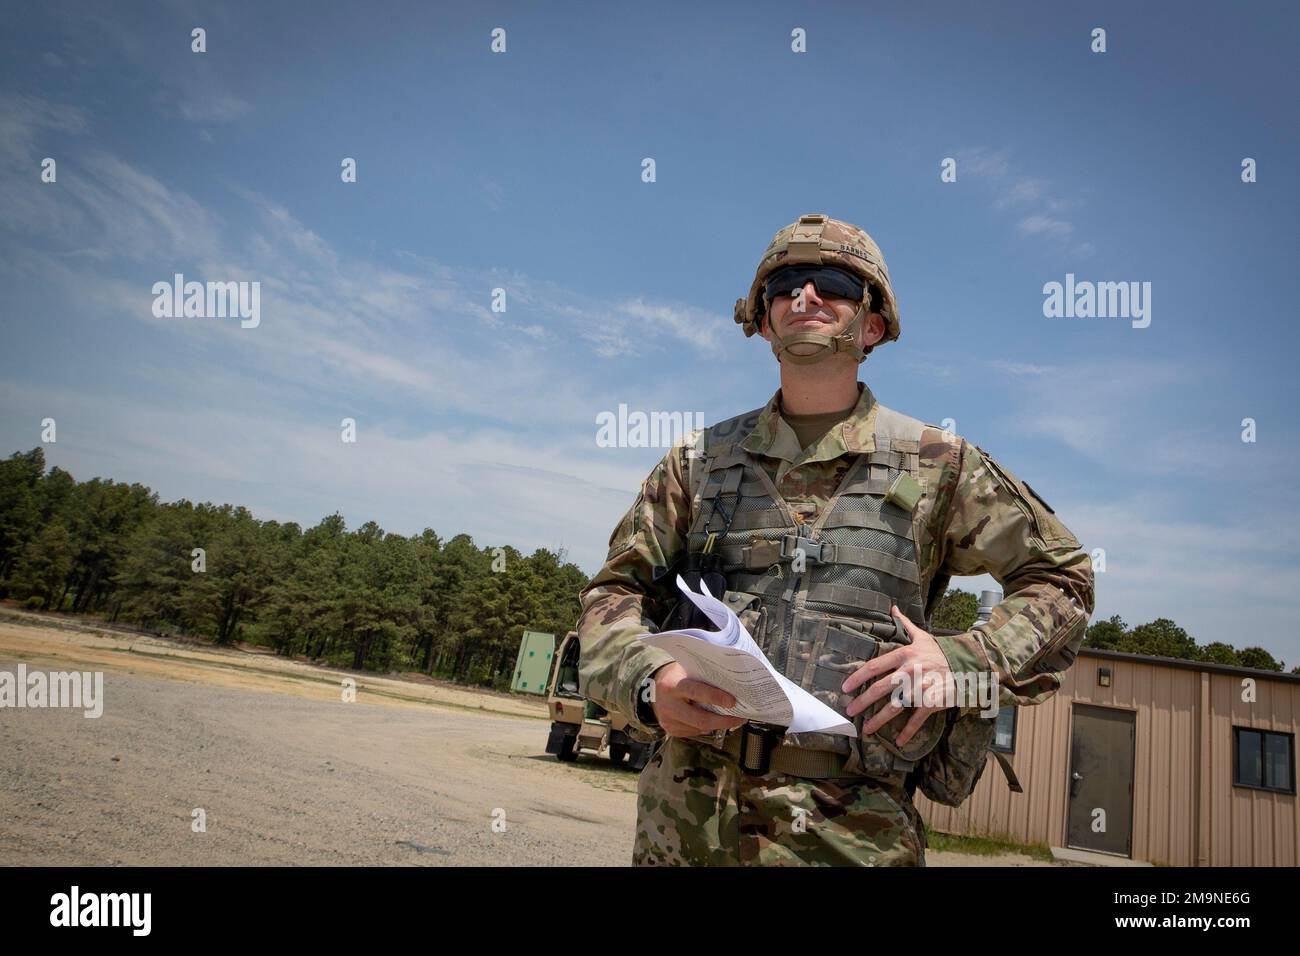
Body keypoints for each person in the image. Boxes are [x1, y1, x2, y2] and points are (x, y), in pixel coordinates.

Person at [576, 213, 1095, 866]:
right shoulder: (699, 463)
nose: (806, 295)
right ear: (763, 320)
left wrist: (966, 661)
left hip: (854, 838)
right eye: (786, 282)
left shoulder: (938, 464)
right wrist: (650, 681)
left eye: (832, 283)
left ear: (872, 325)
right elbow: (613, 594)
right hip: (684, 830)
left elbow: (1065, 578)